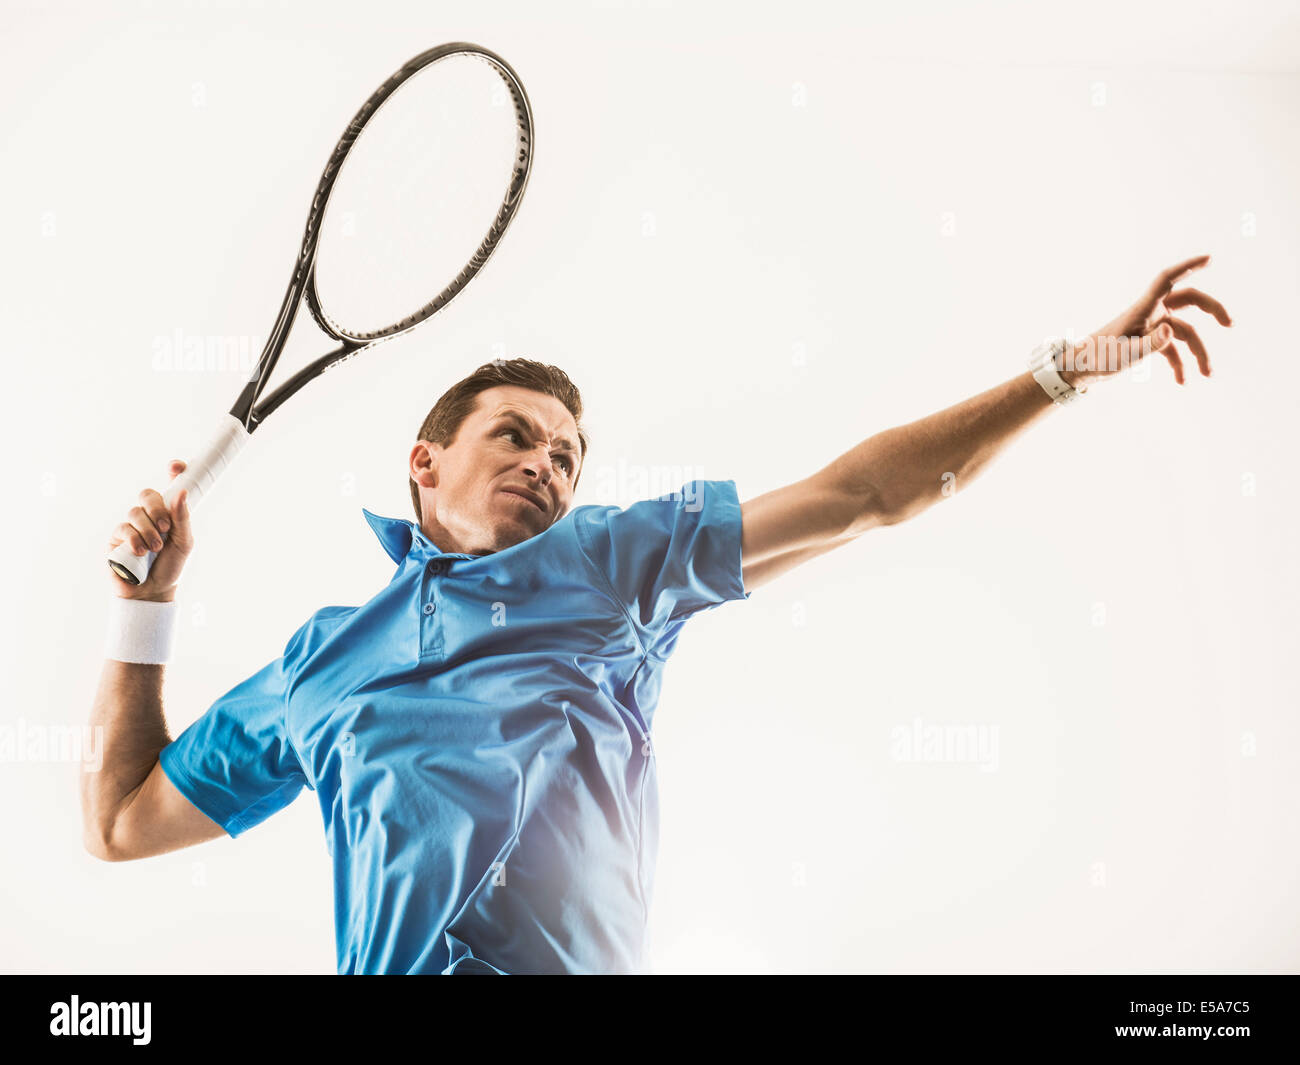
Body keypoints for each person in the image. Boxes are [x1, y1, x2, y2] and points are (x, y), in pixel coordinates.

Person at [84, 255, 1232, 974]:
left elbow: (862, 497)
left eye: (570, 455)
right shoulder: (318, 665)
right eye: (518, 434)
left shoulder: (613, 560)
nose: (550, 462)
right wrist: (151, 607)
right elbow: (123, 823)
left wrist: (1064, 371)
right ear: (424, 462)